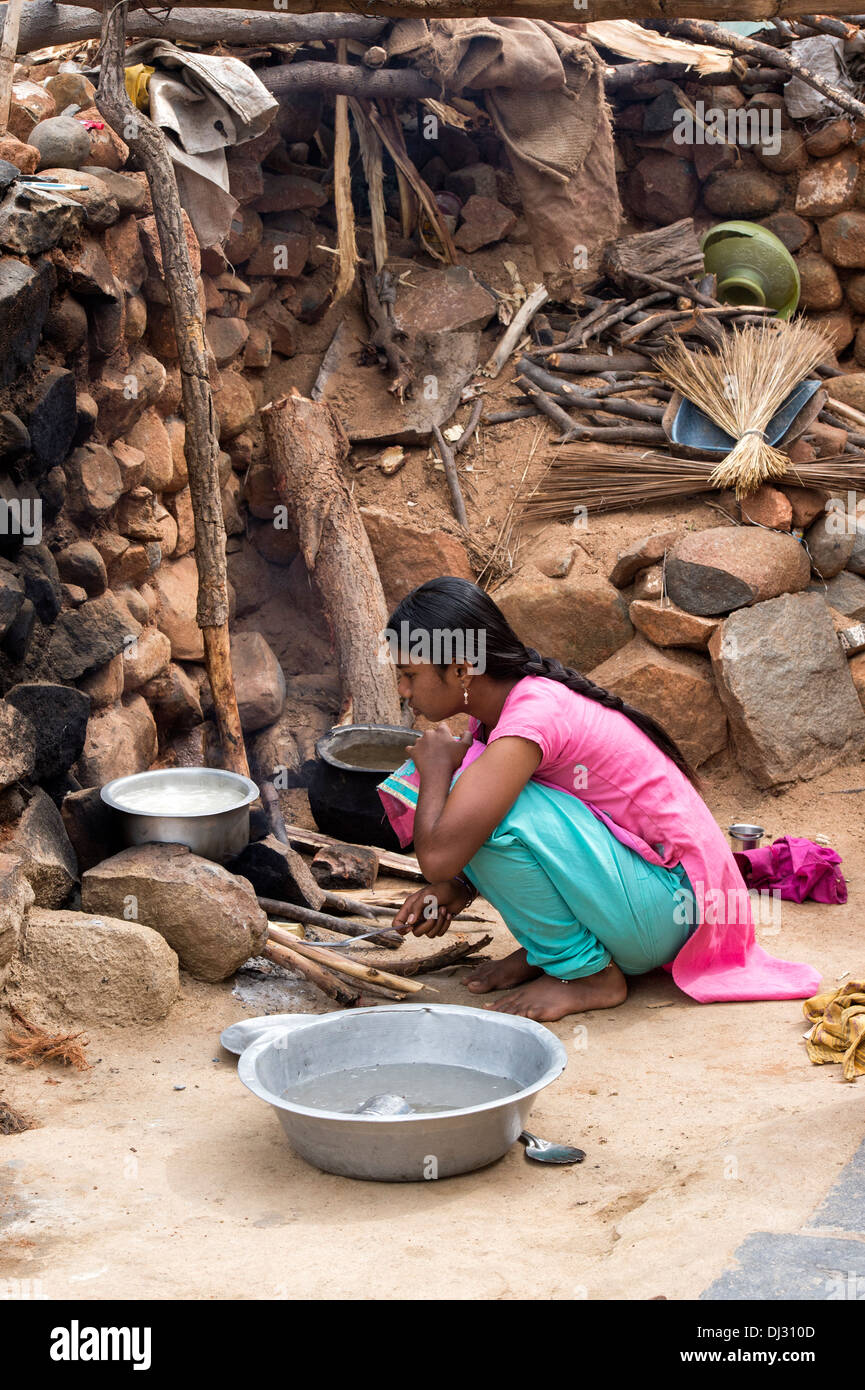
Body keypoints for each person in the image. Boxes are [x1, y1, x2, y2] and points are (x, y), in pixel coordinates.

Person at [380, 576, 820, 1021]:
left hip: (674, 912)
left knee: (468, 795)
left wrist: (435, 773)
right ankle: (549, 954)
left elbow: (438, 857)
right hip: (659, 902)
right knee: (475, 796)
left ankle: (587, 975)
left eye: (409, 675)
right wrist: (460, 887)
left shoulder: (533, 715)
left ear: (460, 670)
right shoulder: (504, 713)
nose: (403, 689)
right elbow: (461, 859)